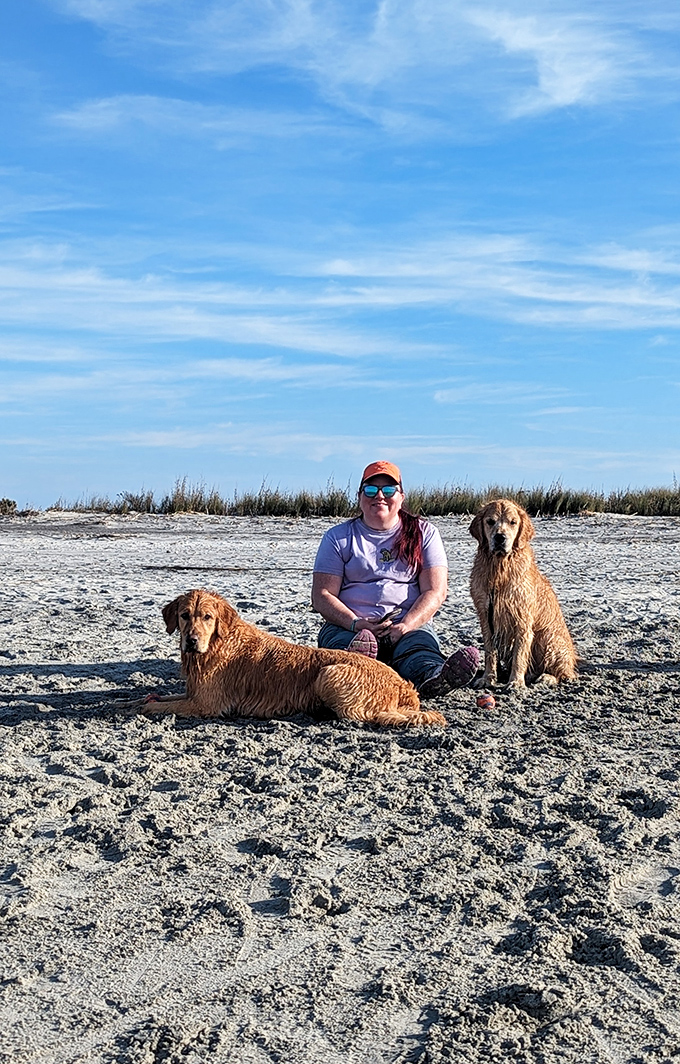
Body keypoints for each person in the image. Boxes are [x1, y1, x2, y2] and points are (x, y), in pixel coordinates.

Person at [311, 460, 479, 698]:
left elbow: (435, 591)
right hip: (349, 627)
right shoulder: (337, 537)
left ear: (401, 496)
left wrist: (405, 626)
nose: (379, 495)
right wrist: (356, 623)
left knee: (419, 653)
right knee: (343, 653)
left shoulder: (424, 533)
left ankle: (434, 677)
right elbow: (322, 595)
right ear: (359, 496)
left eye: (388, 490)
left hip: (406, 626)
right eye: (371, 490)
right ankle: (358, 670)